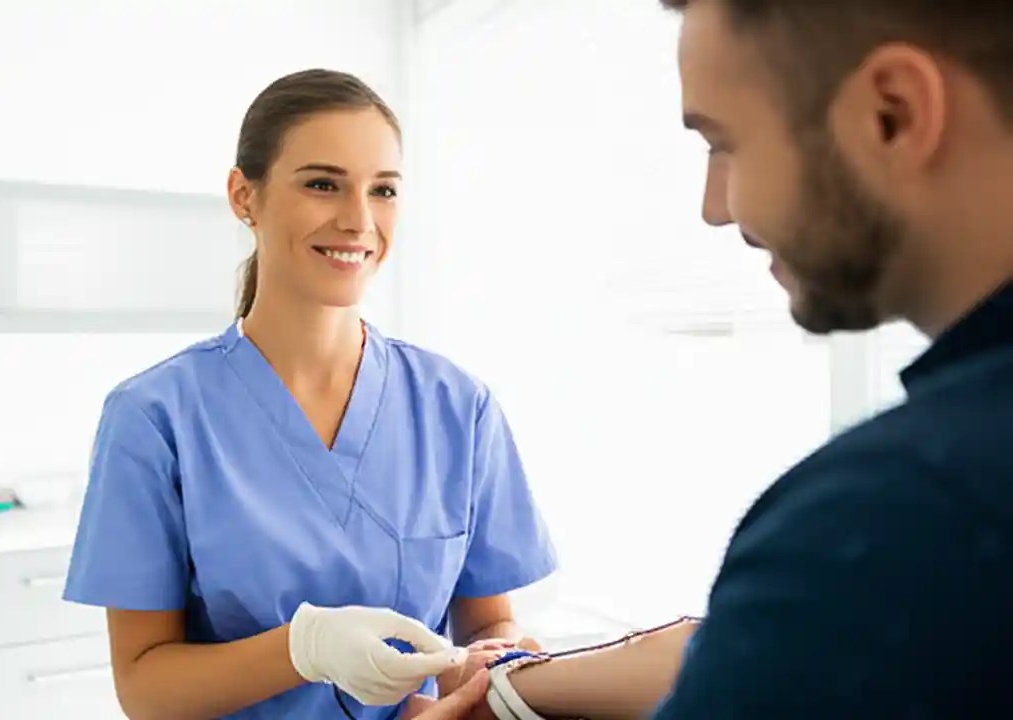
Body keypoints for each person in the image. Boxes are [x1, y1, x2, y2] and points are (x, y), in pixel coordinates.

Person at [424, 0, 1013, 718]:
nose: (715, 207)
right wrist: (522, 687)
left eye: (723, 143)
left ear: (892, 113)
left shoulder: (893, 514)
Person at [61, 68, 558, 720]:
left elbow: (490, 625)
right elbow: (145, 689)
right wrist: (304, 650)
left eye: (382, 191)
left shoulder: (457, 407)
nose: (358, 220)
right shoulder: (156, 418)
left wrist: (485, 671)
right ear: (245, 196)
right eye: (323, 184)